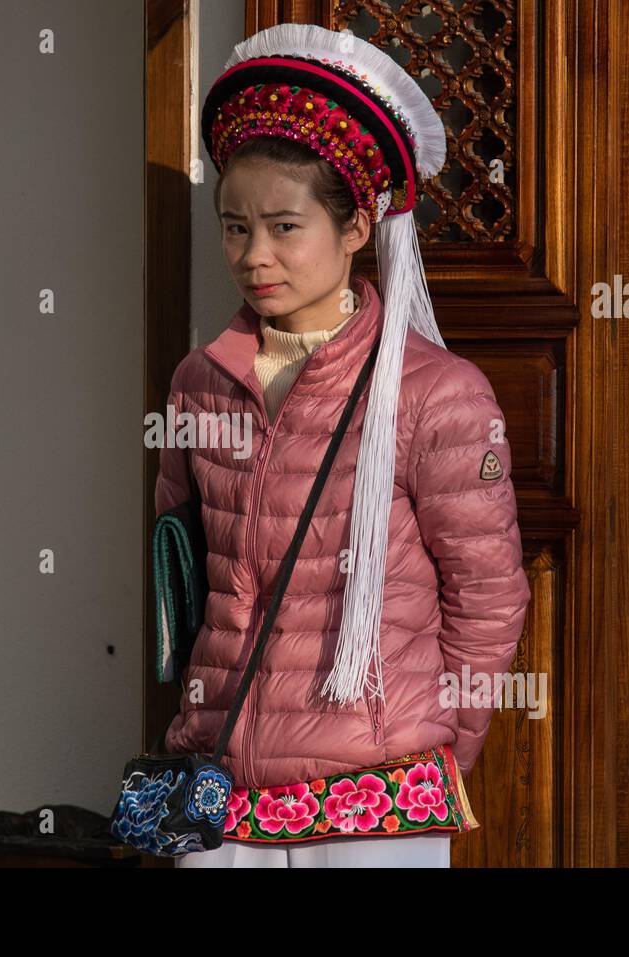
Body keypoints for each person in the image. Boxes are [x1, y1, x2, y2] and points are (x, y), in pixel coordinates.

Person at [158, 24, 531, 868]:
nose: (254, 256)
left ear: (357, 225)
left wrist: (439, 747)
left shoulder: (436, 393)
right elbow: (180, 574)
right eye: (234, 227)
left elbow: (489, 601)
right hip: (223, 790)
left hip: (375, 796)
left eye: (286, 226)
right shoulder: (200, 381)